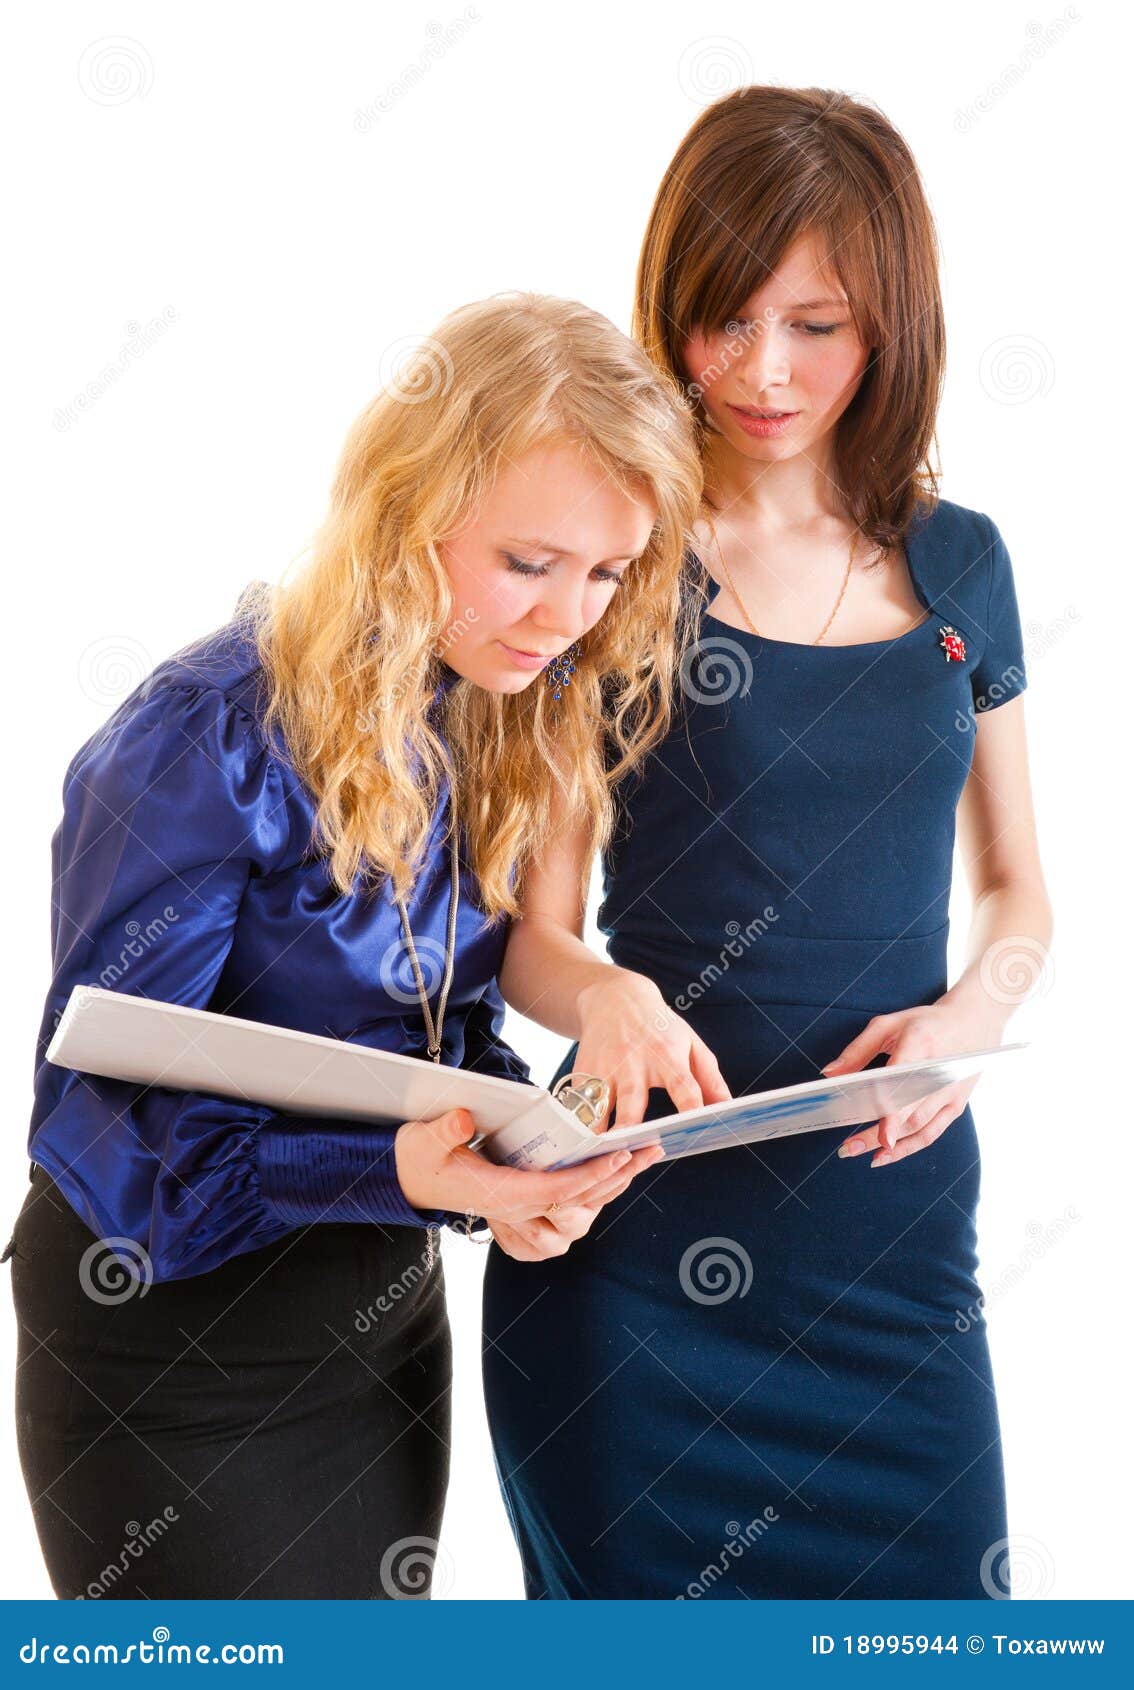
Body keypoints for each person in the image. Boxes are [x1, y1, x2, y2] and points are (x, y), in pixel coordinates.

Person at [3, 290, 704, 1598]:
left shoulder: (508, 709)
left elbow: (434, 1010)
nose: (566, 616)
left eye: (607, 572)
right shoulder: (203, 732)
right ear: (405, 508)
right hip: (169, 1340)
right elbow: (104, 1119)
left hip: (373, 1326)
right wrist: (404, 1164)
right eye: (529, 560)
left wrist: (519, 1146)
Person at [483, 89, 1053, 1599]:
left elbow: (1016, 884)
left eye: (816, 324)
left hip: (891, 1227)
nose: (763, 371)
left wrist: (969, 1012)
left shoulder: (960, 562)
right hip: (634, 1242)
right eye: (724, 321)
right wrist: (605, 997)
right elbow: (531, 933)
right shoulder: (617, 563)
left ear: (892, 324)